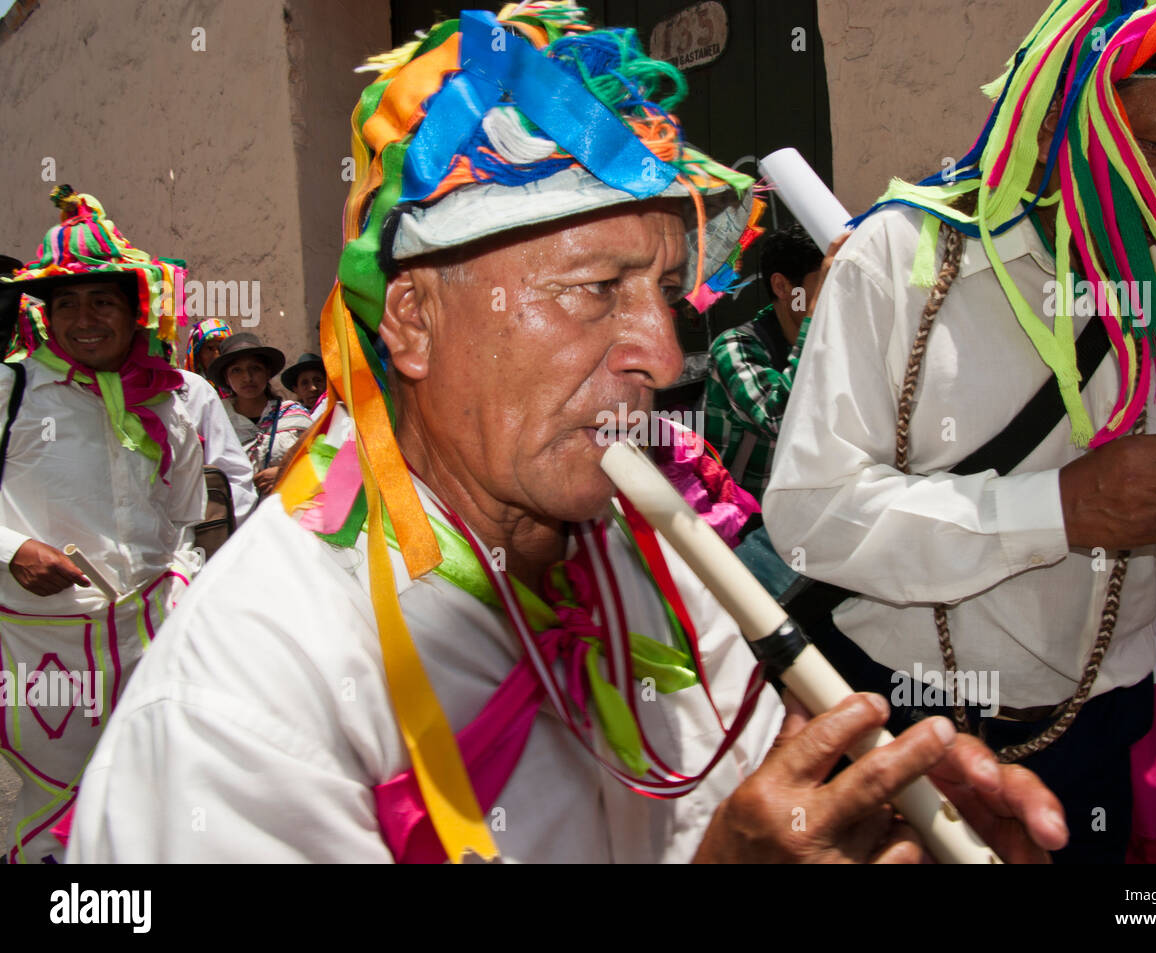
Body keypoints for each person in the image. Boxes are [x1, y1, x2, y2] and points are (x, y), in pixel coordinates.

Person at [68, 4, 1064, 864]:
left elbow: (746, 784)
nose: (665, 358)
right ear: (410, 322)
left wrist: (868, 810)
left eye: (667, 291)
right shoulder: (241, 701)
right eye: (595, 291)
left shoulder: (649, 556)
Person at [765, 0, 1156, 863]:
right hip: (900, 715)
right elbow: (811, 516)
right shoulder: (901, 257)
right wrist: (1062, 507)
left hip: (1100, 728)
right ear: (1066, 117)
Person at [0, 186, 205, 863]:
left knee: (153, 800)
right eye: (67, 303)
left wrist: (184, 588)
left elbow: (182, 519)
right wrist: (11, 550)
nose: (84, 319)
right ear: (47, 315)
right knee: (59, 808)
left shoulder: (173, 401)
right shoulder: (13, 391)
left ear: (133, 309)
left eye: (102, 301)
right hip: (44, 646)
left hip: (149, 635)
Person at [703, 224, 827, 499]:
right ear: (783, 287)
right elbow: (779, 419)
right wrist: (817, 323)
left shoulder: (839, 342)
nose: (837, 297)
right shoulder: (735, 347)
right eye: (826, 284)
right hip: (745, 520)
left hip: (810, 510)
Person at [208, 333, 311, 497]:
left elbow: (321, 462)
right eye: (236, 370)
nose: (247, 378)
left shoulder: (294, 416)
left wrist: (286, 473)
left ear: (267, 373)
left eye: (255, 368)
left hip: (290, 513)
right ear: (227, 378)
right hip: (239, 519)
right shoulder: (216, 423)